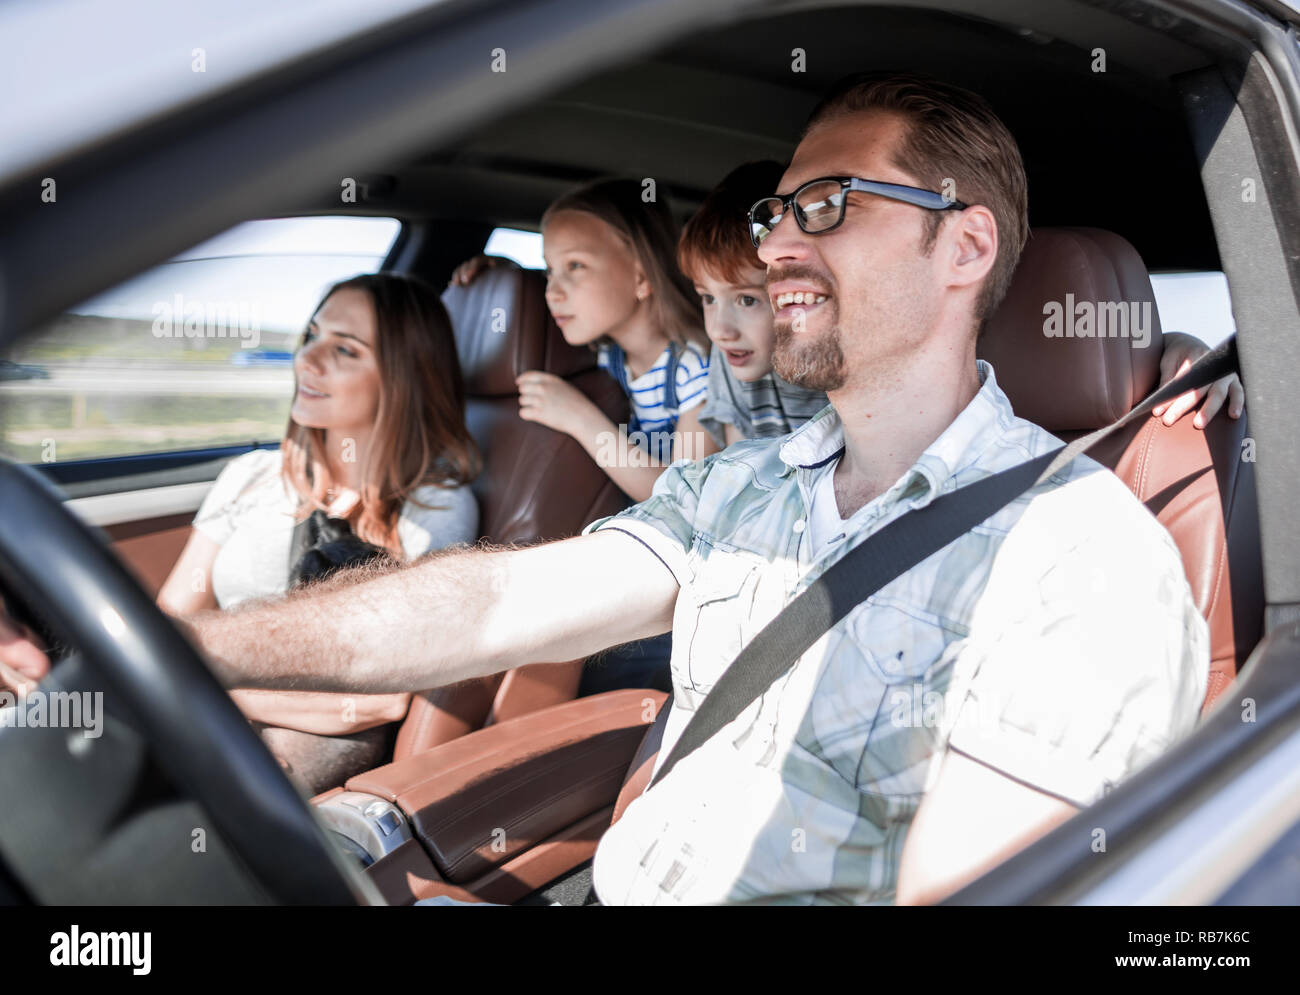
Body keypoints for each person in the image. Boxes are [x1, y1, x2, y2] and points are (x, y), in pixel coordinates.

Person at [0, 73, 1225, 905]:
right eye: (775, 209)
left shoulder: (1075, 559)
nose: (778, 244)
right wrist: (178, 648)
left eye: (828, 207)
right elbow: (477, 612)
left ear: (963, 248)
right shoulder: (744, 485)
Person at [159, 272, 480, 793]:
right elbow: (172, 618)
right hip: (198, 711)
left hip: (270, 744)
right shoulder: (252, 476)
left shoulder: (433, 509)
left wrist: (205, 684)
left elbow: (382, 698)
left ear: (404, 377)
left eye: (346, 350)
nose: (307, 359)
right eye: (312, 335)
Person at [681, 161, 1242, 447]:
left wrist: (1178, 350)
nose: (721, 327)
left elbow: (1041, 354)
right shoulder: (734, 371)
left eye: (749, 298)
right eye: (707, 299)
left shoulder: (905, 369)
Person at [450, 178, 719, 503]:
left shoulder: (695, 366)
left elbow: (685, 499)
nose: (552, 291)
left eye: (575, 265)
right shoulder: (609, 352)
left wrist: (580, 418)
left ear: (641, 276)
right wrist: (507, 277)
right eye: (550, 271)